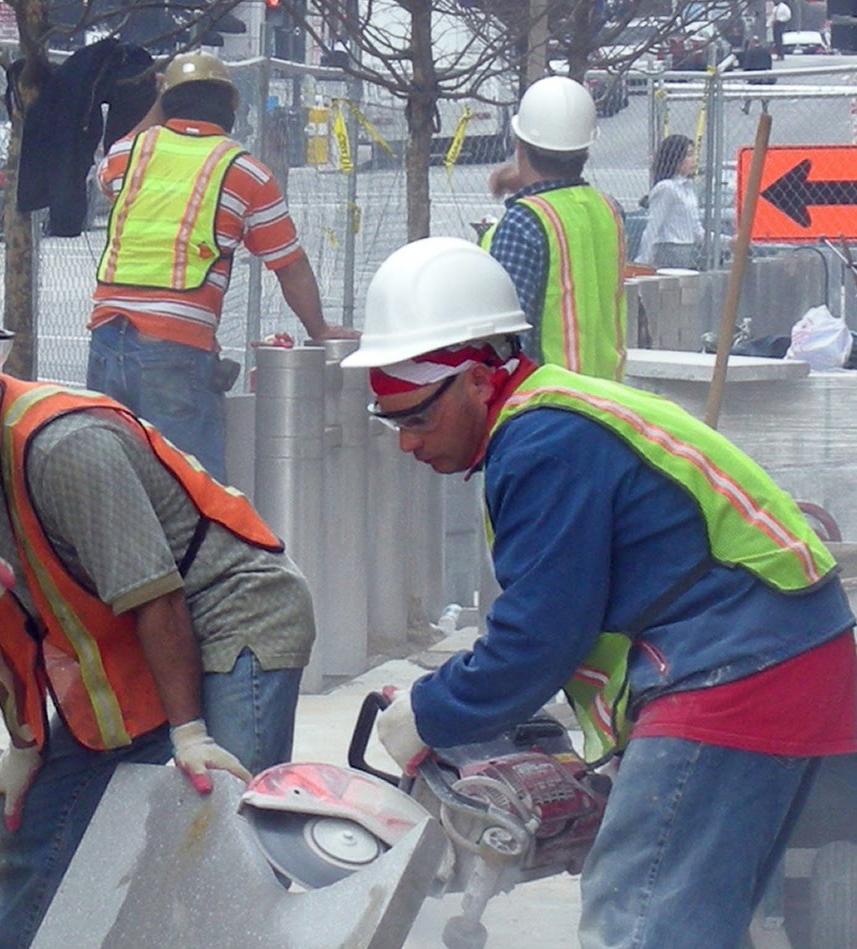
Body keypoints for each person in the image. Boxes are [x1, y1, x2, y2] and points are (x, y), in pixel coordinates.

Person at [342, 237, 856, 949]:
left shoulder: (543, 440)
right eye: (393, 422)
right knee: (694, 917)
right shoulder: (559, 415)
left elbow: (536, 641)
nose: (407, 443)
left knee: (639, 916)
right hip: (777, 650)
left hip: (736, 665)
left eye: (418, 418)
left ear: (478, 382)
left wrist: (428, 712)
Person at [0, 295, 316, 948]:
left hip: (231, 610)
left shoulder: (64, 444)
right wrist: (24, 742)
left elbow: (156, 595)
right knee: (31, 826)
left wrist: (189, 733)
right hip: (136, 638)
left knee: (221, 837)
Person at [86, 50, 356, 482]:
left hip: (107, 339)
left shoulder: (132, 152)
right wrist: (319, 328)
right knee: (193, 493)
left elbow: (105, 175)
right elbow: (289, 264)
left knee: (110, 483)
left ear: (168, 103)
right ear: (230, 108)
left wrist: (158, 102)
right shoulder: (245, 172)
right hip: (174, 351)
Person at [482, 76, 626, 382]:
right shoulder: (609, 209)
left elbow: (504, 341)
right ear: (585, 149)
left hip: (548, 404)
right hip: (607, 401)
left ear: (520, 146)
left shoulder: (523, 224)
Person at [635, 135, 703, 270]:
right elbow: (653, 227)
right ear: (675, 159)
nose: (694, 160)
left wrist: (725, 241)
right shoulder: (667, 188)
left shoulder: (688, 189)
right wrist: (643, 262)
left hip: (688, 252)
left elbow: (697, 231)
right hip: (670, 252)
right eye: (689, 155)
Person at [736, 35, 775, 113]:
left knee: (750, 92)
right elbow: (769, 62)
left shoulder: (750, 52)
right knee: (764, 93)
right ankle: (765, 109)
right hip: (764, 74)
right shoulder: (765, 51)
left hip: (753, 75)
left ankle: (746, 107)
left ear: (752, 42)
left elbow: (747, 63)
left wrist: (745, 74)